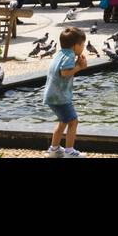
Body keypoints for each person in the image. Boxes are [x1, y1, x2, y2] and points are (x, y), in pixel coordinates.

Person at [43, 26, 88, 158]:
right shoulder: (69, 56)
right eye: (82, 44)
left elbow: (62, 69)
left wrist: (76, 62)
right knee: (73, 121)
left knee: (63, 121)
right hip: (60, 96)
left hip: (51, 95)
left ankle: (54, 149)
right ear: (75, 46)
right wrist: (79, 67)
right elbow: (64, 73)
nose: (83, 47)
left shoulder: (60, 53)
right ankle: (69, 151)